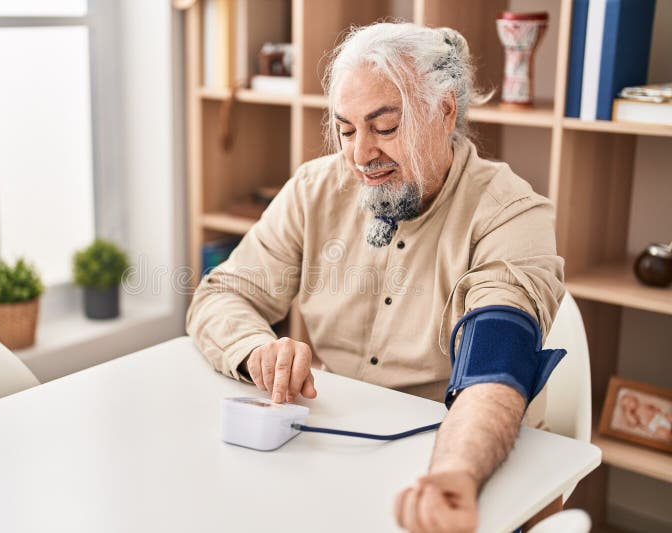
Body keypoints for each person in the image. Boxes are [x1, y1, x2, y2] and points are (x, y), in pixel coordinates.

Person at [187, 21, 565, 532]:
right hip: (340, 446)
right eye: (346, 130)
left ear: (444, 111)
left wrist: (454, 473)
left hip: (465, 453)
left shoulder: (510, 214)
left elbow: (494, 368)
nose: (361, 155)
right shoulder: (315, 190)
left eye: (385, 128)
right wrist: (258, 349)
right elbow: (224, 293)